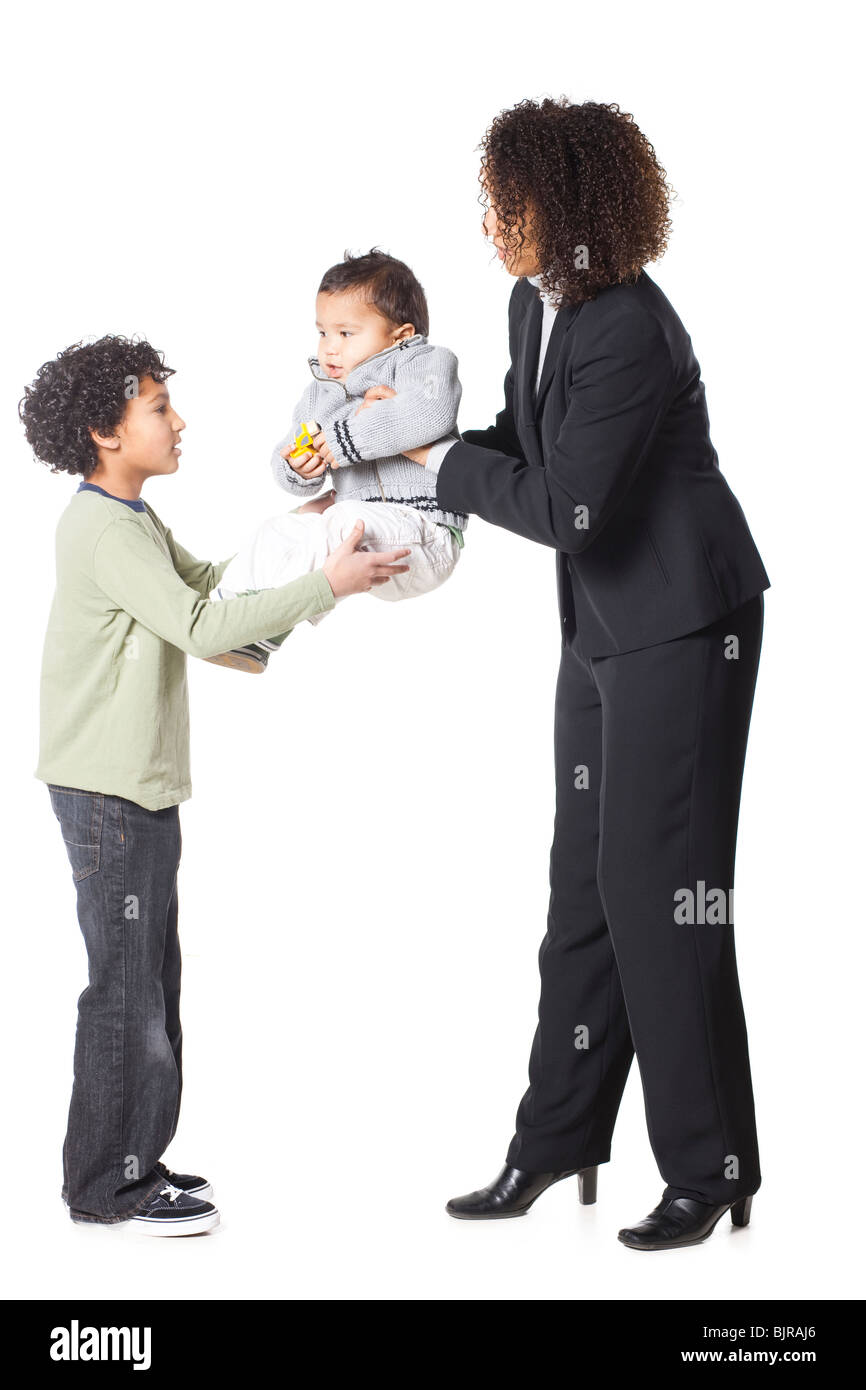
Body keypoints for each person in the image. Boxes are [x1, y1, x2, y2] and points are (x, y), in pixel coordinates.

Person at [403, 97, 771, 1251]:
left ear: (559, 207)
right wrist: (396, 456)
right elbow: (525, 444)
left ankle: (709, 1167)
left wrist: (441, 464)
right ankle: (556, 1140)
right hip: (603, 629)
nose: (490, 225)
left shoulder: (628, 328)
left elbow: (567, 506)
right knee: (583, 888)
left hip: (682, 622)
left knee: (664, 899)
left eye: (505, 204)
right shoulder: (536, 302)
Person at [22, 336, 410, 1235]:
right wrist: (326, 584)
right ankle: (107, 1186)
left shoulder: (129, 520)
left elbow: (205, 584)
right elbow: (201, 625)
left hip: (134, 787)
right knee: (125, 990)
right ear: (102, 432)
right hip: (108, 792)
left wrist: (305, 532)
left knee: (151, 981)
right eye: (159, 407)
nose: (178, 419)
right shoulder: (101, 528)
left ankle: (132, 1161)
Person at [207, 249, 467, 673]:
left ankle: (265, 624)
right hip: (365, 543)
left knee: (340, 518)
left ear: (400, 335)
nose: (329, 348)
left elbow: (426, 414)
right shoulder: (321, 394)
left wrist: (344, 437)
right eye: (323, 332)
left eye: (346, 333)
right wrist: (298, 466)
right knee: (284, 526)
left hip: (426, 535)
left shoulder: (423, 363)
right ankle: (225, 610)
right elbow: (290, 452)